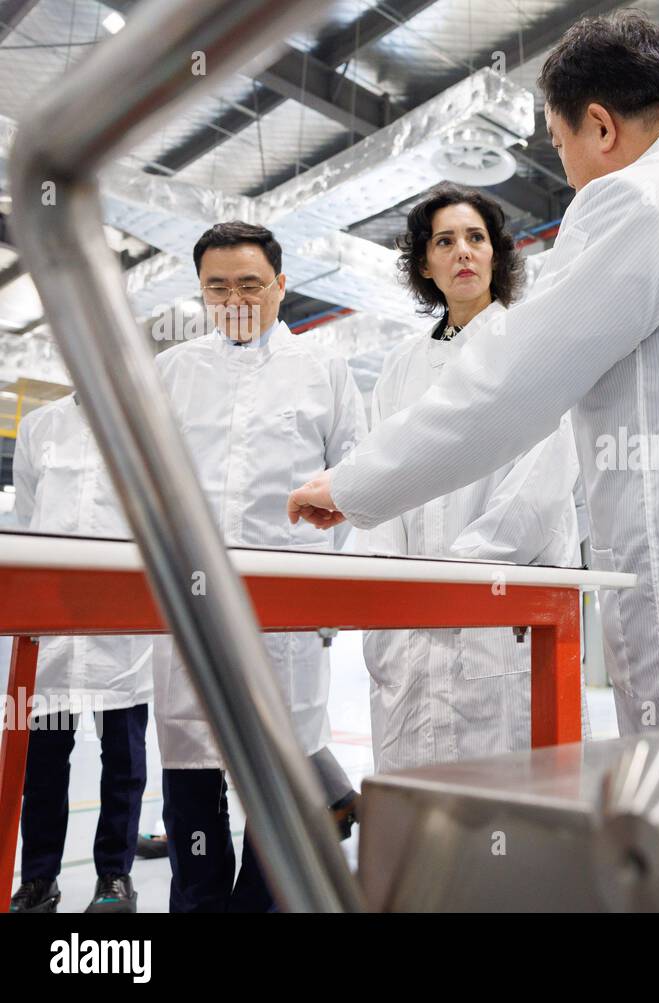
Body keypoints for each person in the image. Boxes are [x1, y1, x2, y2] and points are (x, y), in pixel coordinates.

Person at [289, 11, 659, 734]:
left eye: (561, 146)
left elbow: (510, 389)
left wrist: (350, 485)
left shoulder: (642, 198)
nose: (567, 174)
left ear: (599, 126)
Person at [153, 221, 366, 911]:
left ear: (281, 285)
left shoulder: (323, 371)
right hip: (193, 617)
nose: (235, 298)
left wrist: (331, 595)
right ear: (201, 293)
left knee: (282, 797)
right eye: (218, 287)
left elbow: (357, 482)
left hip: (286, 619)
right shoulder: (174, 372)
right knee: (192, 792)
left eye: (250, 283)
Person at [362, 184, 582, 769]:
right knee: (419, 806)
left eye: (476, 238)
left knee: (510, 795)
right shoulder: (400, 369)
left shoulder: (531, 346)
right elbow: (376, 477)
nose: (462, 251)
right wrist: (388, 585)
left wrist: (457, 574)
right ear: (425, 265)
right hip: (410, 623)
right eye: (445, 241)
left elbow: (540, 484)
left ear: (495, 256)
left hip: (495, 609)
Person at [8, 395, 151, 913]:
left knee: (124, 761)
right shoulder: (40, 424)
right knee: (44, 763)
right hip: (54, 625)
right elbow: (27, 516)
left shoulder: (145, 424)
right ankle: (39, 880)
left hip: (123, 622)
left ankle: (114, 878)